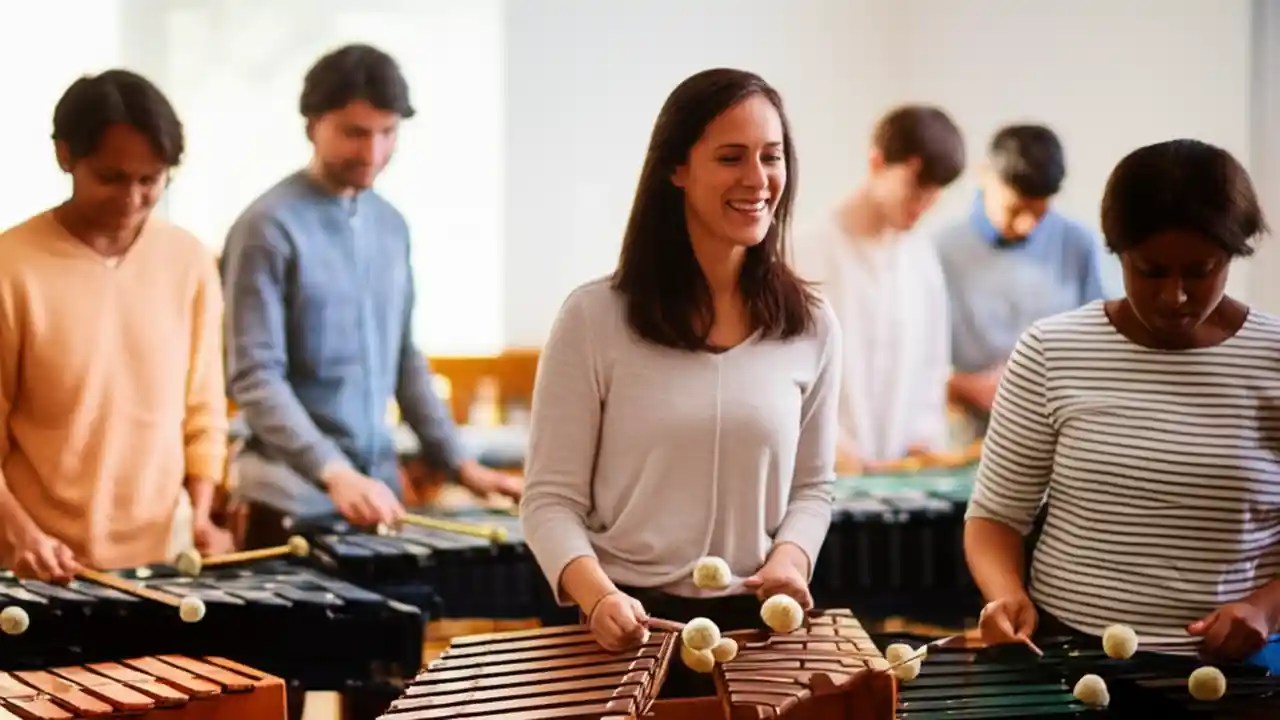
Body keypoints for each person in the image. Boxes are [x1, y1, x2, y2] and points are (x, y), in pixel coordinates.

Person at [520, 68, 841, 697]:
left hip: (754, 633)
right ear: (676, 169)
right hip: (620, 624)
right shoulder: (593, 317)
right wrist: (596, 597)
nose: (757, 179)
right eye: (730, 157)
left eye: (770, 157)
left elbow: (813, 488)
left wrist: (792, 557)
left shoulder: (813, 324)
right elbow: (548, 501)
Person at [965, 139, 1280, 671]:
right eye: (1150, 271)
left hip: (1240, 670)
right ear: (1117, 252)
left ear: (1233, 255)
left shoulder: (1273, 358)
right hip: (1071, 657)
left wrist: (1265, 611)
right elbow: (996, 515)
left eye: (1199, 271)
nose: (1174, 296)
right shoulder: (1051, 351)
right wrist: (1006, 594)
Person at [221, 44, 519, 545]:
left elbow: (404, 358)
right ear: (312, 124)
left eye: (387, 133)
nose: (373, 153)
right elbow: (255, 377)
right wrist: (333, 471)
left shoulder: (391, 225)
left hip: (376, 498)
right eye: (355, 133)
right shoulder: (266, 228)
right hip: (289, 501)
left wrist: (461, 463)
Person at [0, 70, 233, 581]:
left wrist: (200, 516)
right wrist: (23, 535)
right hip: (37, 566)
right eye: (111, 178)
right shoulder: (10, 266)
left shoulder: (190, 261)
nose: (132, 199)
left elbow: (202, 410)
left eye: (150, 180)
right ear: (66, 156)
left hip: (162, 564)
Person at [794, 105, 964, 472]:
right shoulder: (803, 253)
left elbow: (932, 368)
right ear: (876, 163)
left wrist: (923, 439)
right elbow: (789, 375)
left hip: (902, 480)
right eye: (915, 186)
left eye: (934, 193)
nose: (923, 203)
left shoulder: (922, 259)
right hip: (824, 477)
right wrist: (836, 449)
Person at [935, 124, 1106, 418]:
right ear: (984, 175)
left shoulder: (1079, 244)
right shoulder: (938, 252)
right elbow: (912, 367)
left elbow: (1101, 343)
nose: (1028, 226)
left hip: (1059, 422)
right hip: (969, 432)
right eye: (1015, 210)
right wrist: (964, 387)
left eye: (1040, 213)